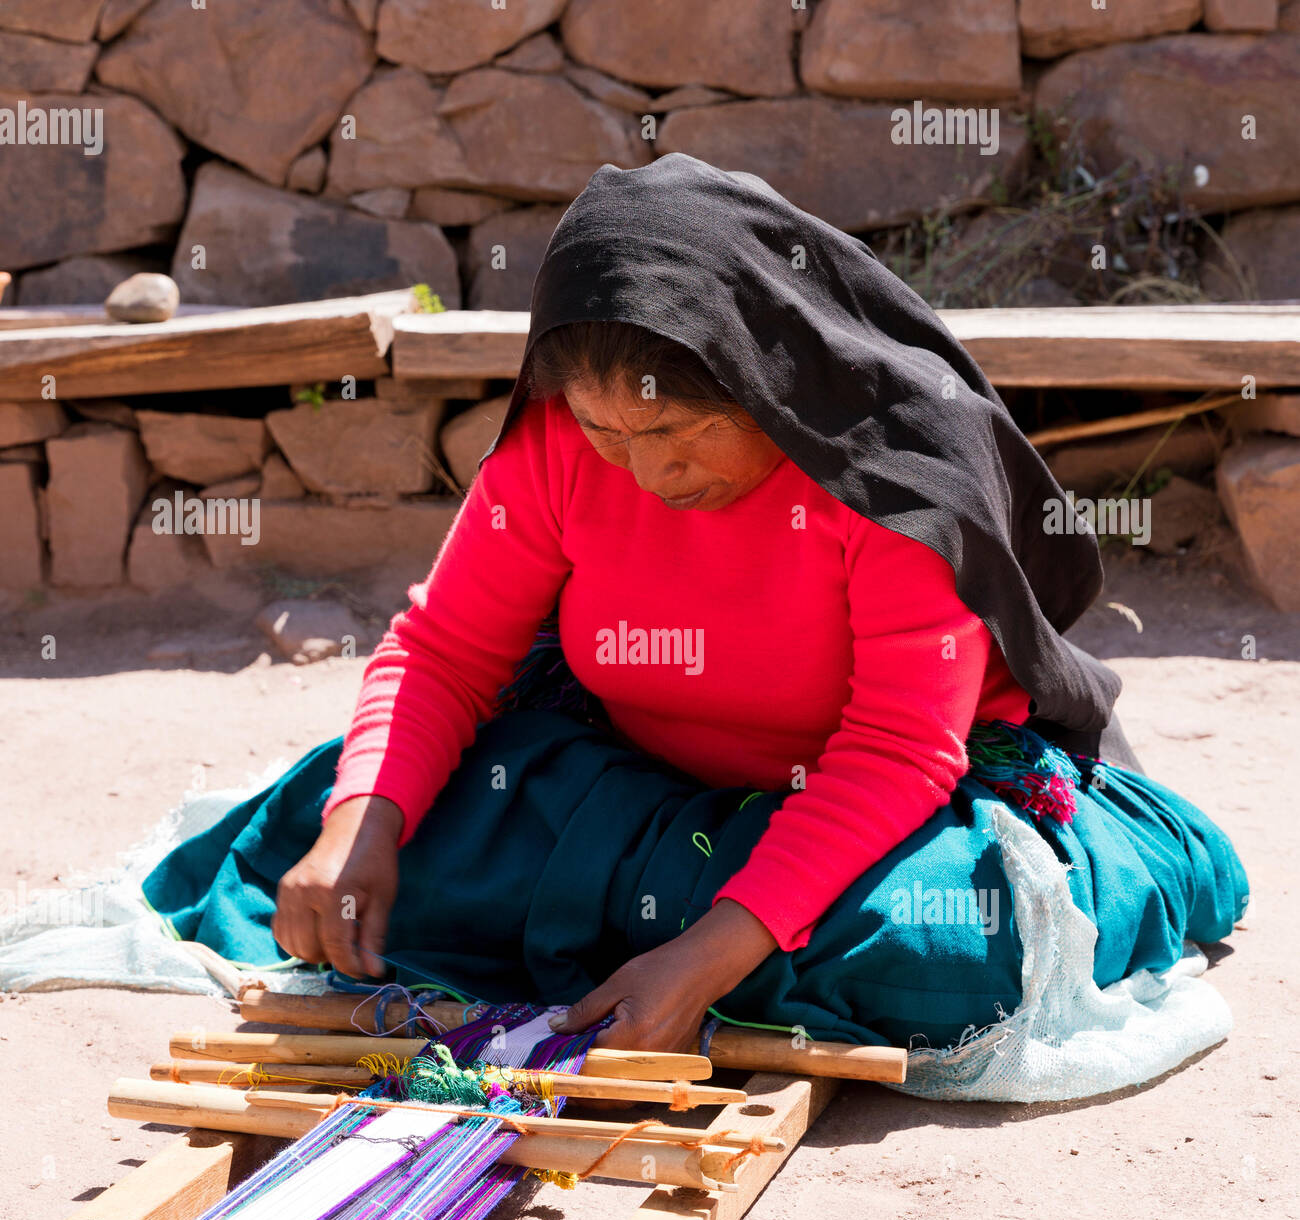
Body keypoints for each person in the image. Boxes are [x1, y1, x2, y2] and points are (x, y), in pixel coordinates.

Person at [146, 155, 1247, 1063]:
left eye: (678, 433)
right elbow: (444, 651)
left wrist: (710, 954)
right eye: (609, 434)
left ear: (768, 382)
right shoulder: (556, 447)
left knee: (944, 945)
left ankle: (679, 943)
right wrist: (359, 826)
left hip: (899, 814)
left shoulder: (895, 481)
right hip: (647, 794)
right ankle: (675, 933)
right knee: (331, 838)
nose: (645, 472)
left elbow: (892, 752)